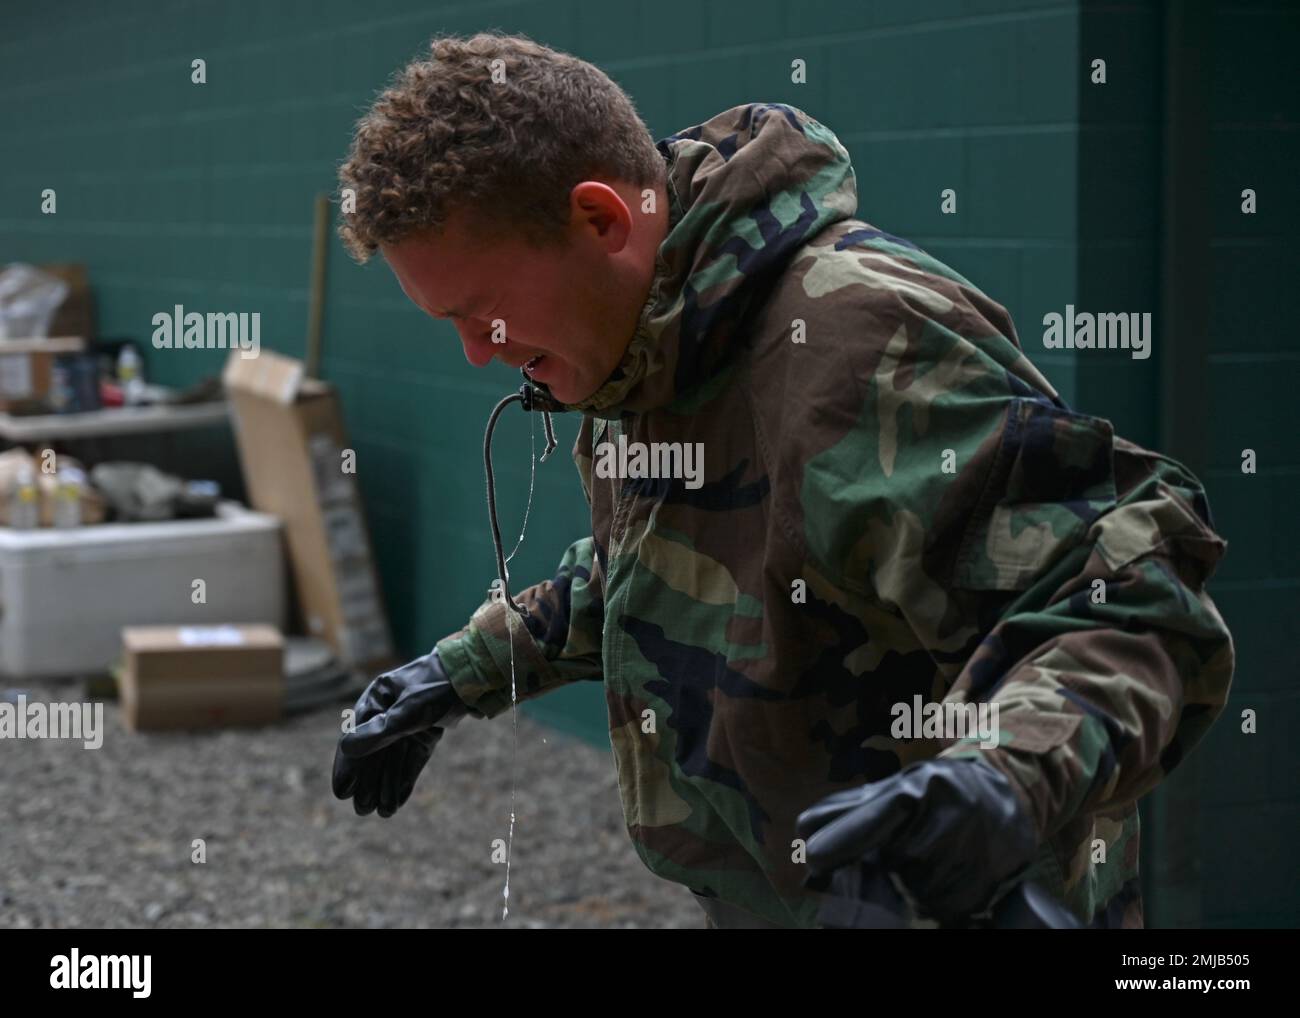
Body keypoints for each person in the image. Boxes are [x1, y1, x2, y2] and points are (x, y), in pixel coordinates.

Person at [331, 31, 1234, 929]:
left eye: (481, 313)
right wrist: (462, 672)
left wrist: (998, 778)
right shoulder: (641, 349)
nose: (476, 353)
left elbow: (1129, 585)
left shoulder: (855, 339)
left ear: (601, 221)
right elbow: (662, 561)